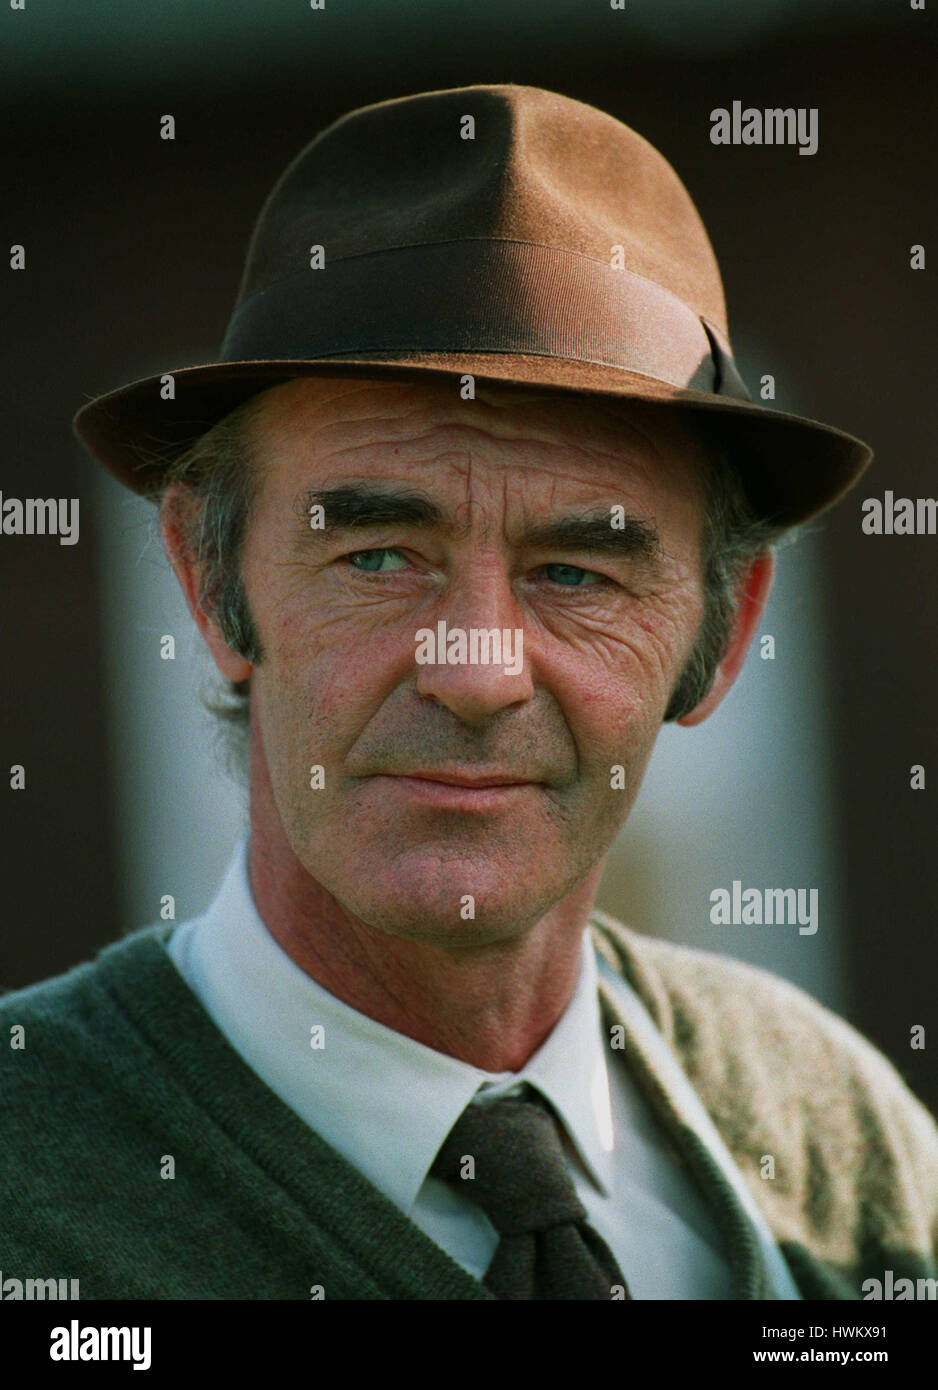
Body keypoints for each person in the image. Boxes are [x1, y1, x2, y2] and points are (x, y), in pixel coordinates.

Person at [2, 84, 936, 1303]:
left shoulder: (833, 1139)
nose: (477, 672)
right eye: (378, 557)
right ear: (208, 575)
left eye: (573, 570)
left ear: (722, 629)